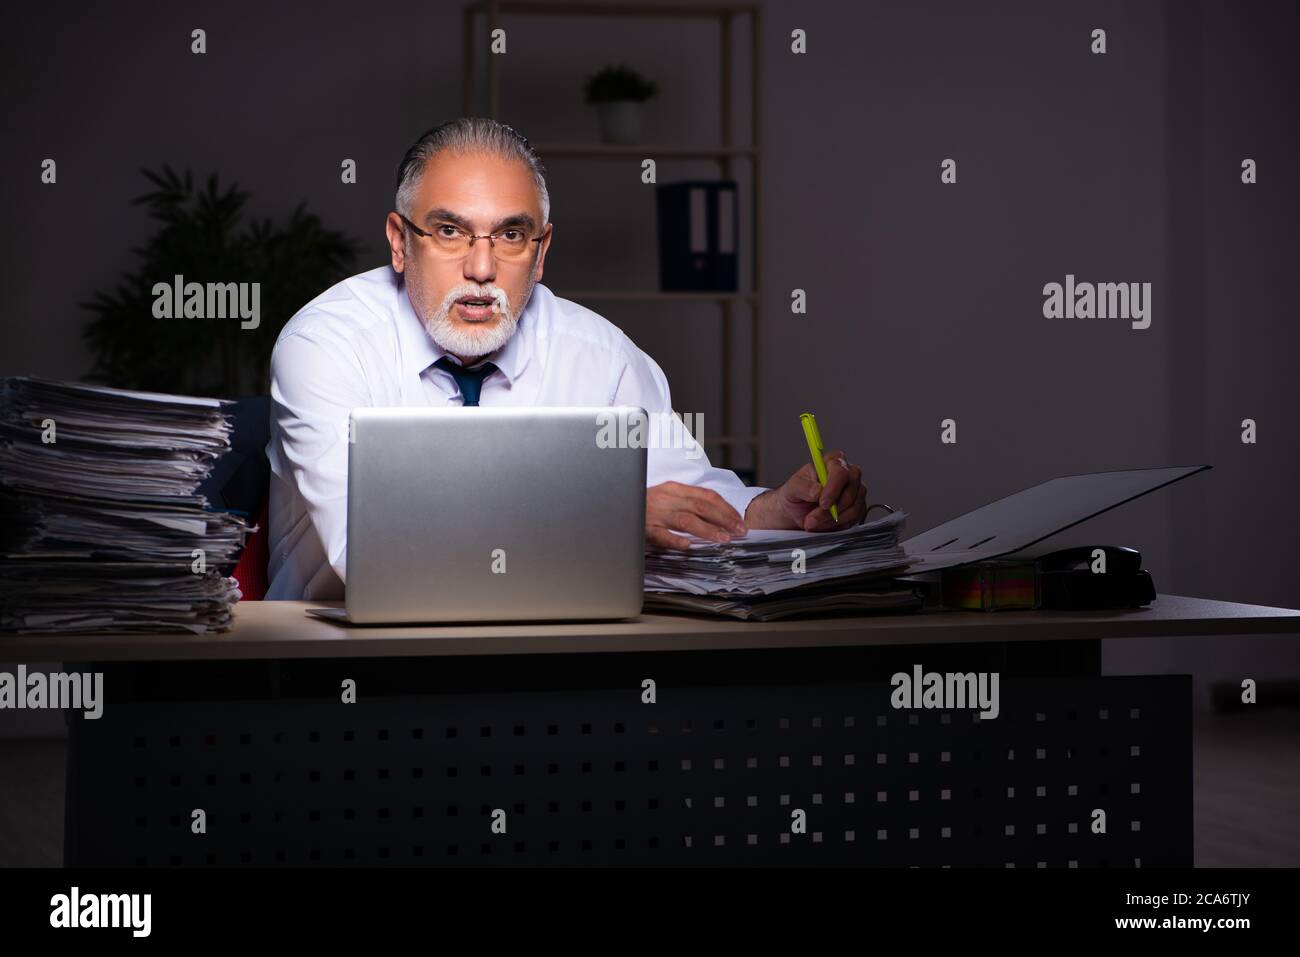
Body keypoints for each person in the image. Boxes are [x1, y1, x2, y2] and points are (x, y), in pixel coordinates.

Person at [266, 117, 868, 601]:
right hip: (346, 674)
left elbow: (686, 494)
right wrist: (604, 518)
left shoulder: (601, 355)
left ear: (542, 249)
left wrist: (774, 512)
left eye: (509, 235)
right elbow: (371, 555)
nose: (481, 268)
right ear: (400, 242)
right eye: (450, 232)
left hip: (558, 667)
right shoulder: (324, 346)